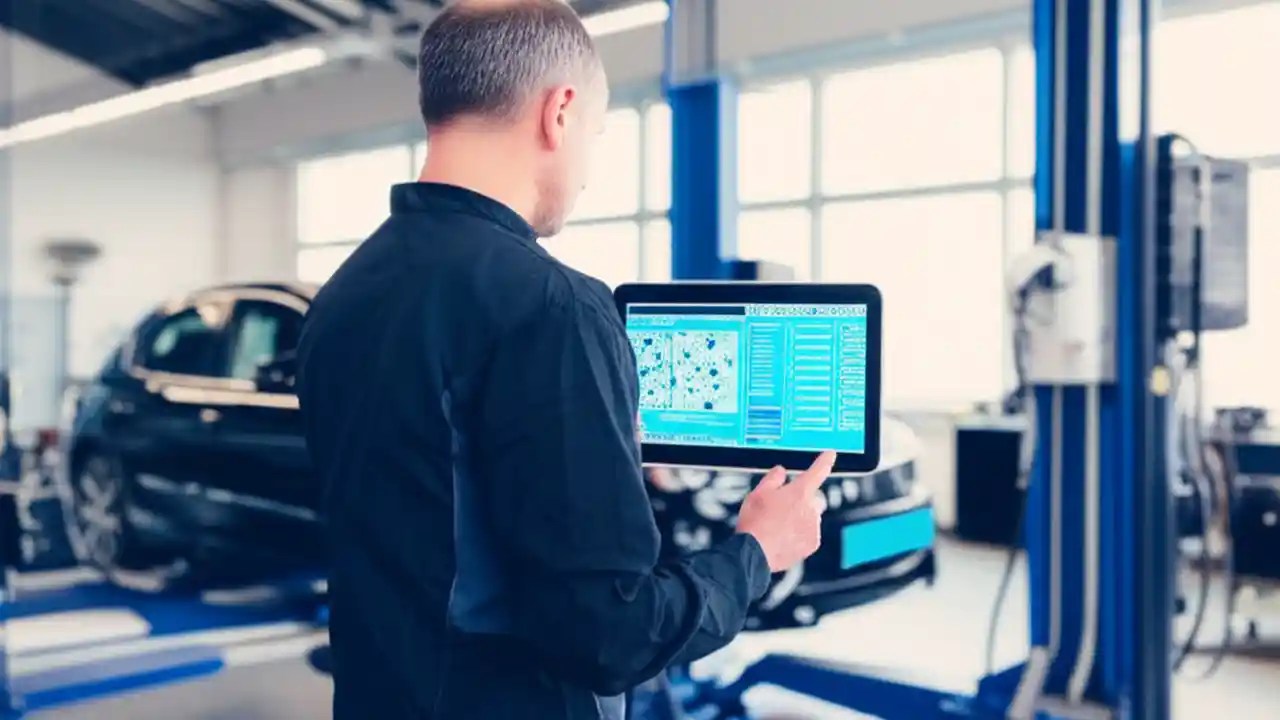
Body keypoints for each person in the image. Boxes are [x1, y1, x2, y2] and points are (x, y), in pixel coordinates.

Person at [296, 1, 836, 718]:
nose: (586, 174)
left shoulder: (344, 293)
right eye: (596, 132)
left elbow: (439, 494)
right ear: (559, 112)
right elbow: (611, 635)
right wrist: (757, 552)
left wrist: (593, 446)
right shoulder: (555, 306)